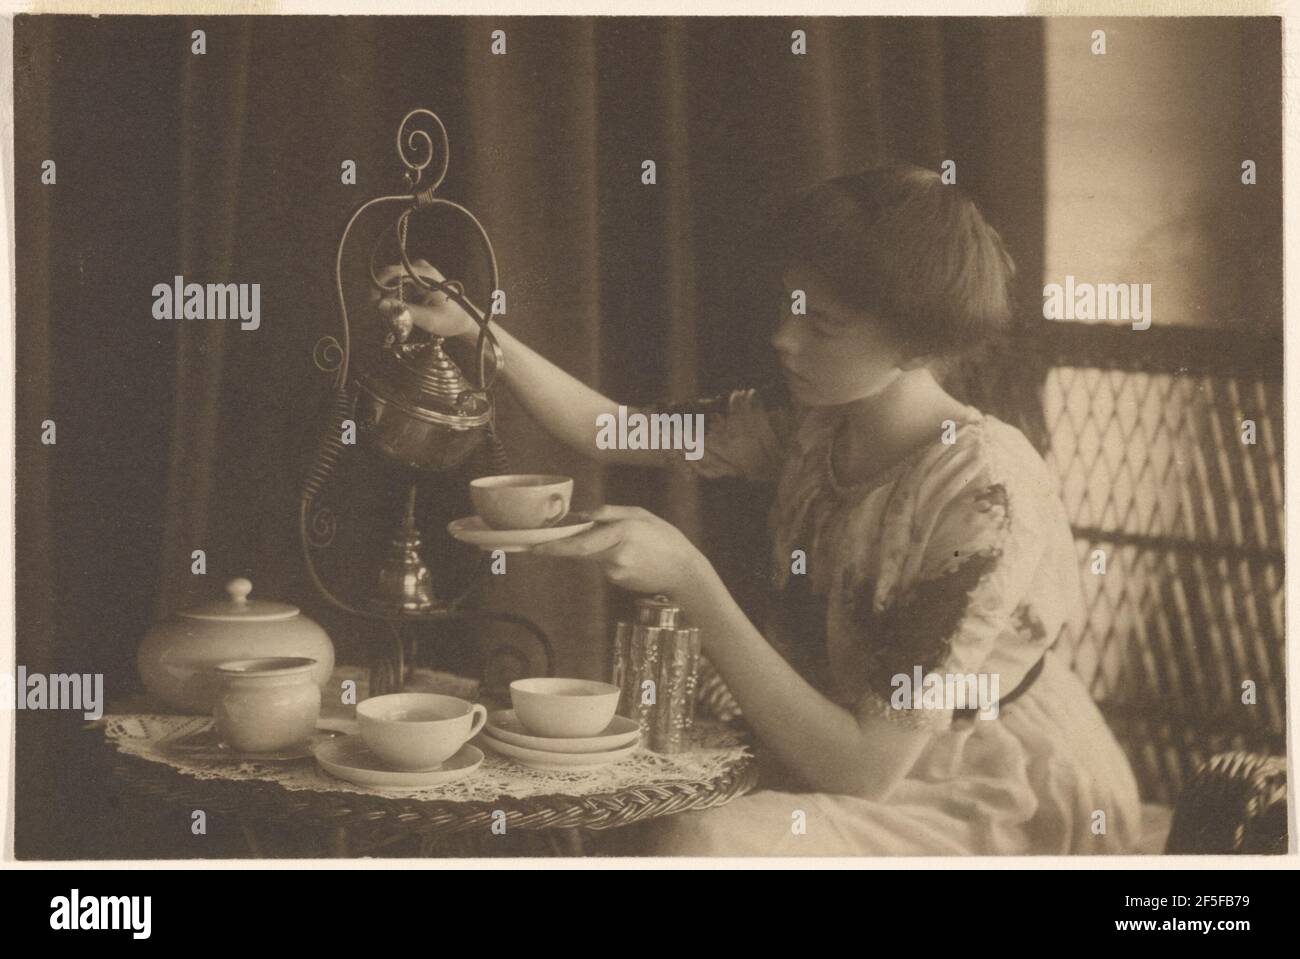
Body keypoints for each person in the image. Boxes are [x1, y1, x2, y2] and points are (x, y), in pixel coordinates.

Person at [374, 163, 1142, 855]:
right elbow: (612, 429)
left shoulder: (985, 493)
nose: (783, 336)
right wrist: (479, 331)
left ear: (915, 343)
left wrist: (690, 579)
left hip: (982, 781)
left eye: (823, 323)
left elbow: (865, 767)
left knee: (707, 841)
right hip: (843, 739)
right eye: (790, 305)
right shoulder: (813, 421)